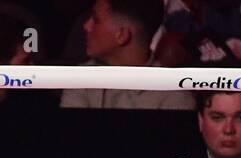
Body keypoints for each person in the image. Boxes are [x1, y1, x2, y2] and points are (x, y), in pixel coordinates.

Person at [60, 0, 195, 110]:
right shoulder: (81, 80)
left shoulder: (174, 99)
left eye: (96, 20)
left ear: (122, 35)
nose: (86, 26)